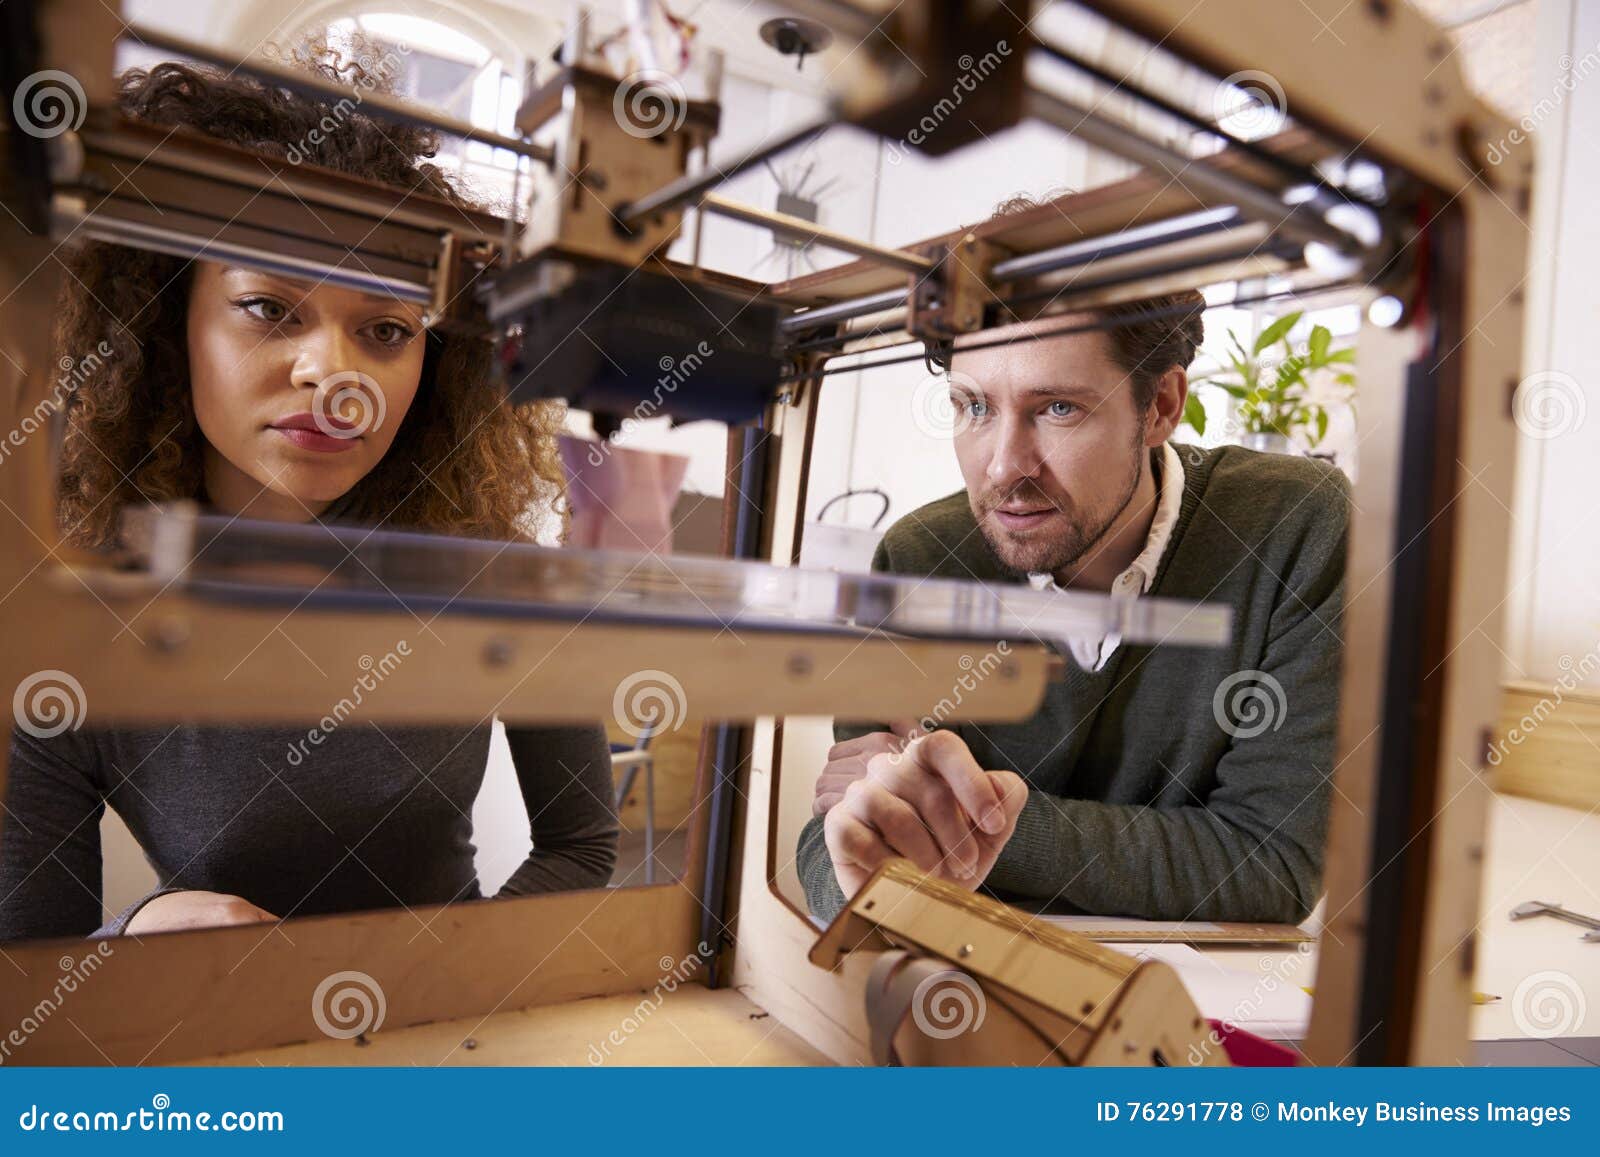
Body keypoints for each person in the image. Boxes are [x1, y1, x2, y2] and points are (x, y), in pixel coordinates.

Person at [0, 50, 617, 941]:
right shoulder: (67, 616)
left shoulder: (494, 573)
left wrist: (422, 982)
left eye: (386, 330)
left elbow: (581, 845)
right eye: (269, 308)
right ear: (169, 320)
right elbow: (28, 969)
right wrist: (132, 939)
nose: (333, 375)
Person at [797, 247, 1349, 926]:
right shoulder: (918, 557)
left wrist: (988, 822)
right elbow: (840, 836)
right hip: (973, 990)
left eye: (1057, 408)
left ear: (1162, 406)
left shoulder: (1295, 525)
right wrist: (857, 854)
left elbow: (1270, 864)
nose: (1003, 465)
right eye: (974, 406)